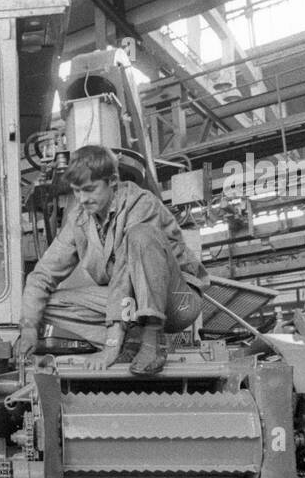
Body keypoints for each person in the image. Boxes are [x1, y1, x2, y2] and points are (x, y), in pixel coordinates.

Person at [16, 145, 208, 375]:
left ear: (113, 181)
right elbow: (42, 275)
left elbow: (124, 273)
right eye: (77, 191)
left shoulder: (141, 203)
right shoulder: (80, 218)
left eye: (89, 189)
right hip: (129, 304)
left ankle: (150, 340)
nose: (82, 199)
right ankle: (132, 340)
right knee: (45, 306)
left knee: (140, 235)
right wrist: (28, 327)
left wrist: (110, 347)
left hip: (176, 301)